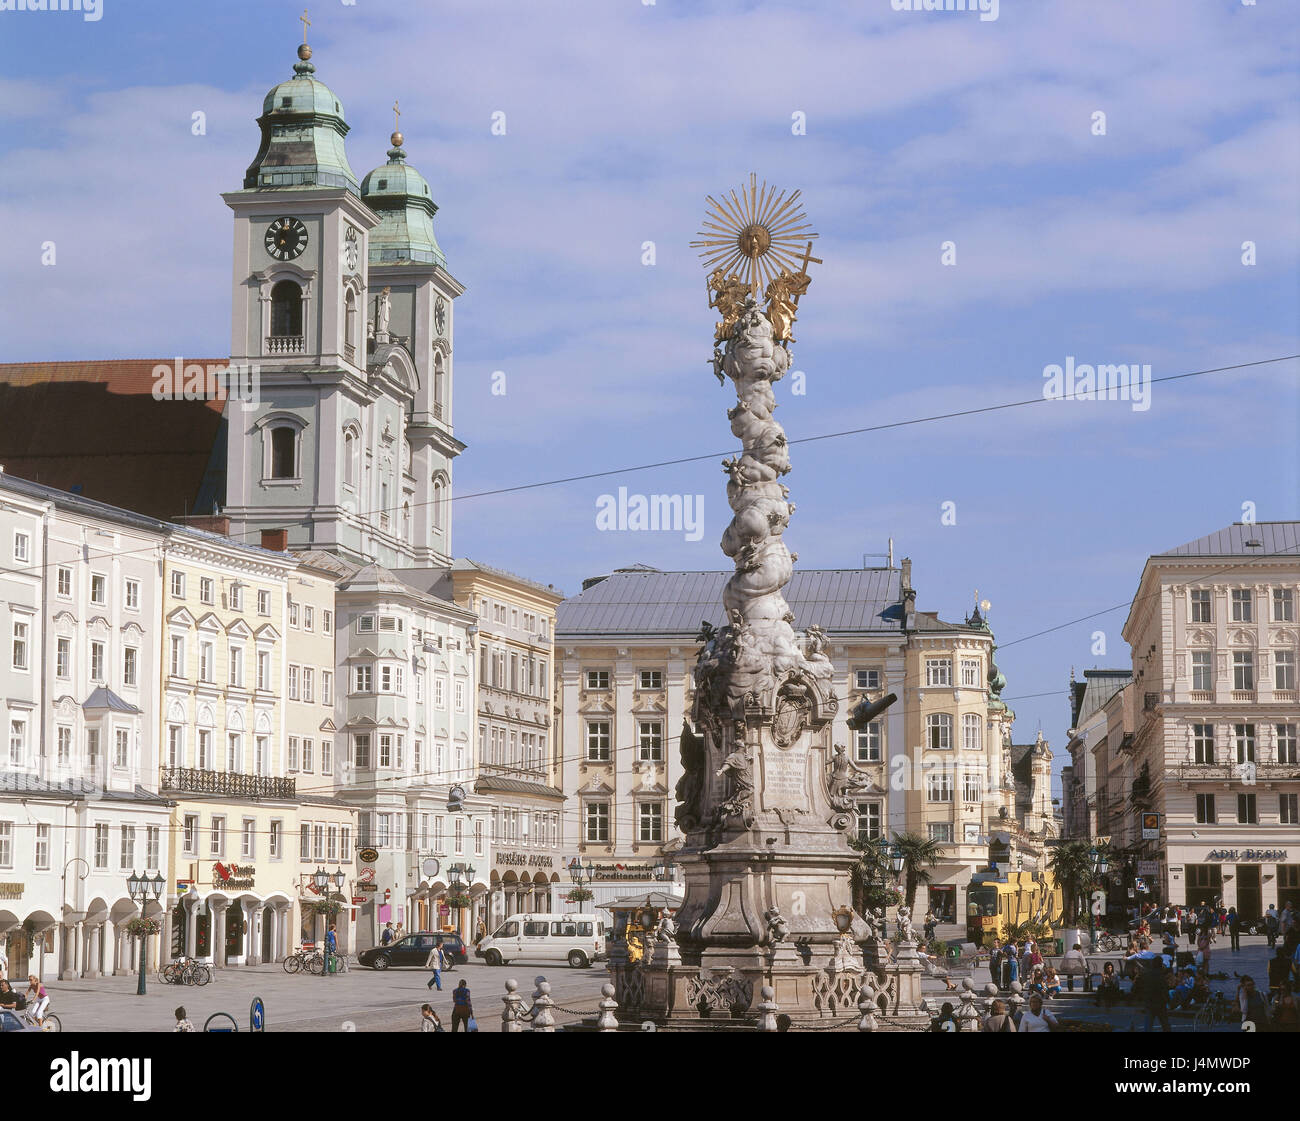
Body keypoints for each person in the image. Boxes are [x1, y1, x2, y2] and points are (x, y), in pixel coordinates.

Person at [1138, 958, 1171, 1032]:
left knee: (1148, 1023)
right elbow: (1164, 989)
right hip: (1160, 1002)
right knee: (1165, 1023)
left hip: (1150, 1002)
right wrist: (1168, 1001)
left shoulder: (1148, 974)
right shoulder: (1161, 975)